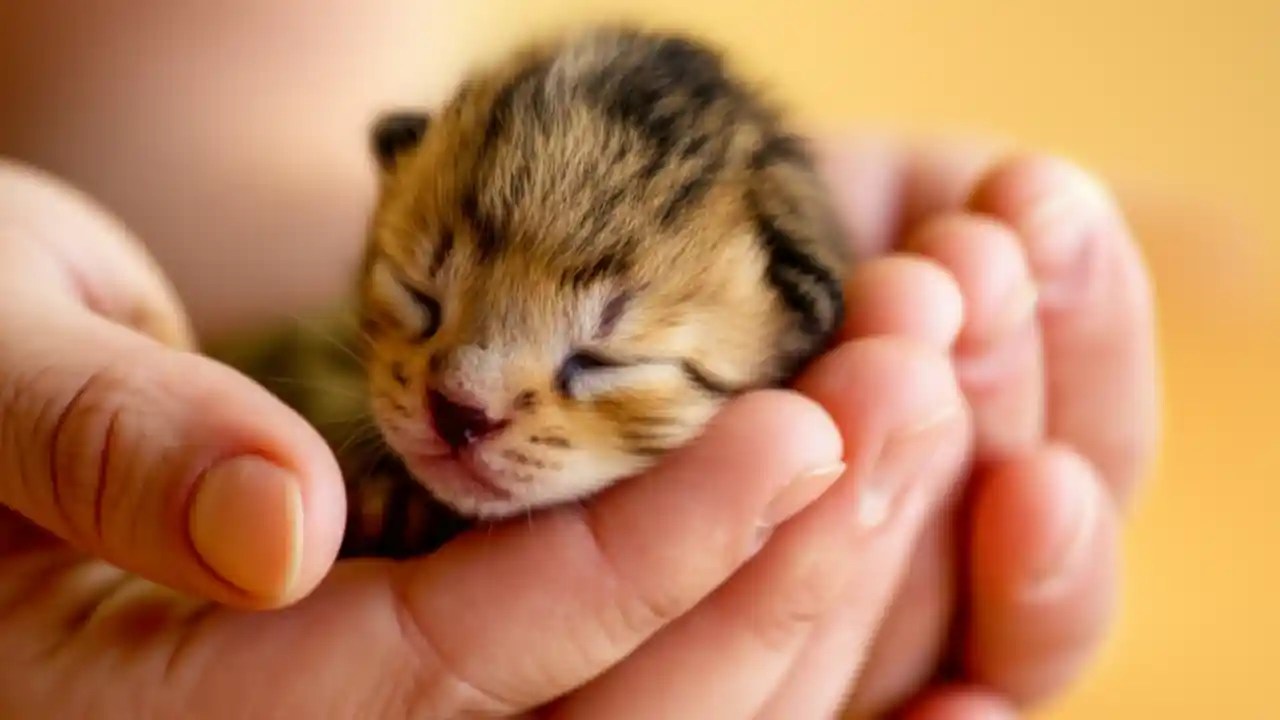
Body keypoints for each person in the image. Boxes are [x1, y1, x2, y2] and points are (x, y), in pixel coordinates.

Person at [0, 5, 1157, 718]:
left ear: (796, 333)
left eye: (599, 362)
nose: (462, 393)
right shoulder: (303, 402)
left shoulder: (790, 327)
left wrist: (164, 182)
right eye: (417, 297)